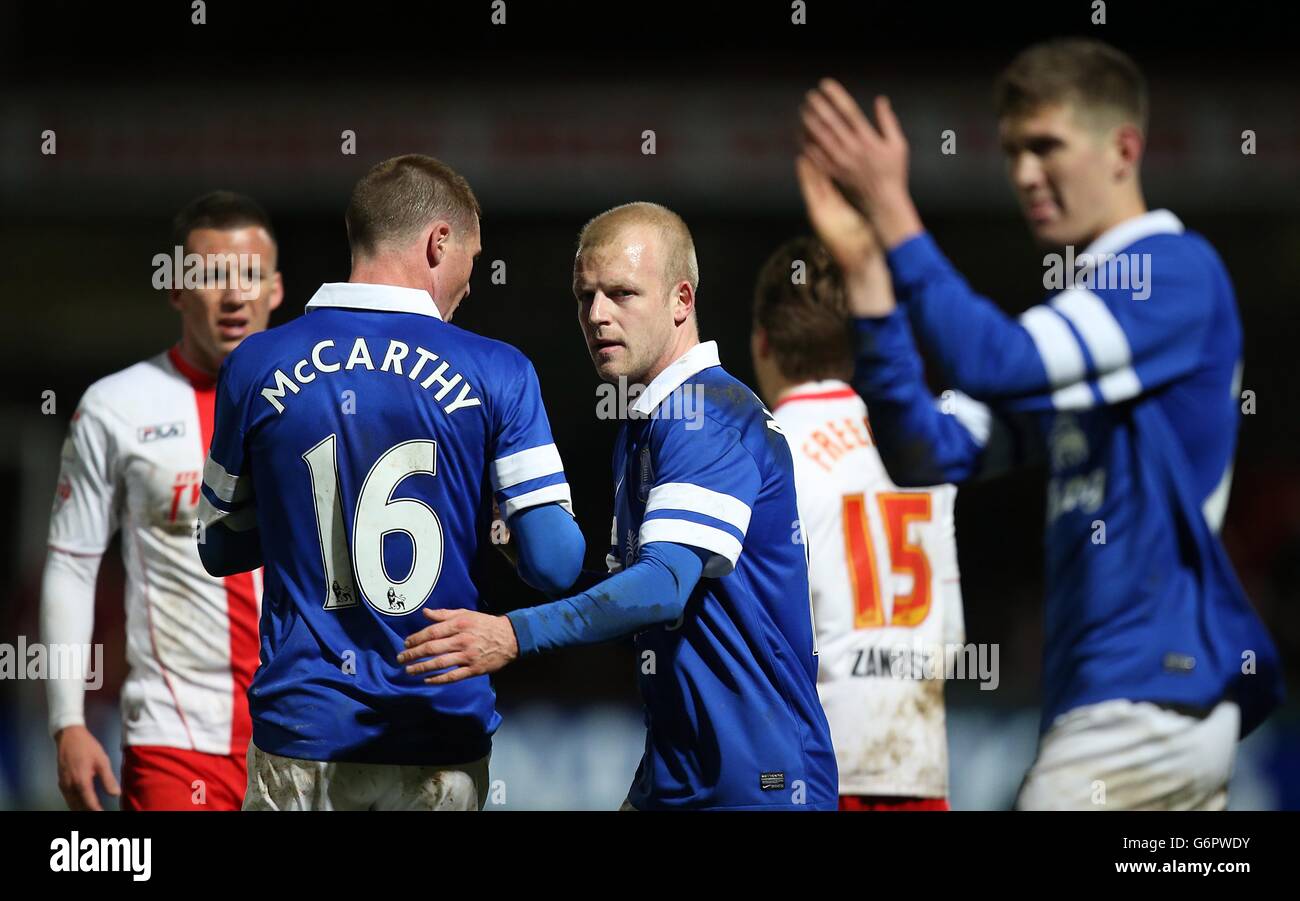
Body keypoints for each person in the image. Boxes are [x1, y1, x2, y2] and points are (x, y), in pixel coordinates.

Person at [799, 38, 1283, 809]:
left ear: (1124, 148)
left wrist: (894, 215)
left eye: (1047, 146)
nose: (1026, 173)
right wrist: (867, 279)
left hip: (1143, 696)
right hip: (1131, 702)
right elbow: (926, 447)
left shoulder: (1170, 273)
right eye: (1015, 151)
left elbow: (998, 360)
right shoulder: (1093, 332)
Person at [400, 202, 838, 810]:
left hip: (757, 781)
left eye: (622, 294)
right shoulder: (649, 426)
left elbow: (661, 587)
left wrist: (512, 634)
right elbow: (643, 591)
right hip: (685, 773)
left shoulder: (706, 416)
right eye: (586, 296)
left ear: (682, 300)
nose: (597, 316)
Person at [197, 154, 584, 811]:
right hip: (437, 732)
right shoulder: (498, 370)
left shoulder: (256, 363)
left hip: (304, 729)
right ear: (439, 242)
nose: (471, 282)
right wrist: (488, 517)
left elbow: (219, 546)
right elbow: (556, 563)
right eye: (471, 256)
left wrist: (305, 516)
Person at [42, 190, 282, 810]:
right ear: (176, 289)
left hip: (303, 733)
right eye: (211, 276)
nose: (234, 296)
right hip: (174, 744)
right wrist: (68, 720)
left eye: (250, 276)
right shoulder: (115, 406)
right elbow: (72, 563)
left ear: (276, 290)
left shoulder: (321, 407)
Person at [751, 231, 963, 811]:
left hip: (812, 770)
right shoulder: (923, 442)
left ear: (763, 343)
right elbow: (951, 637)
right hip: (918, 762)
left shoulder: (763, 453)